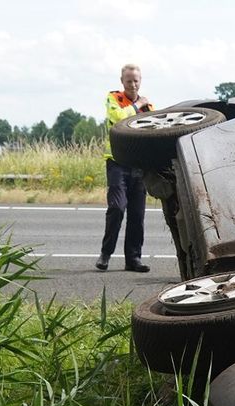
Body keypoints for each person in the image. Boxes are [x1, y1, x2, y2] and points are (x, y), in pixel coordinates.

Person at [96, 63, 153, 272]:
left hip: (138, 166)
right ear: (122, 82)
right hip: (117, 162)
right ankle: (106, 253)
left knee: (137, 215)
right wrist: (138, 107)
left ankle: (133, 259)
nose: (133, 84)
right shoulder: (114, 99)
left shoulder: (149, 106)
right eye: (129, 81)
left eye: (136, 80)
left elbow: (153, 132)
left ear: (141, 81)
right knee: (117, 208)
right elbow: (120, 119)